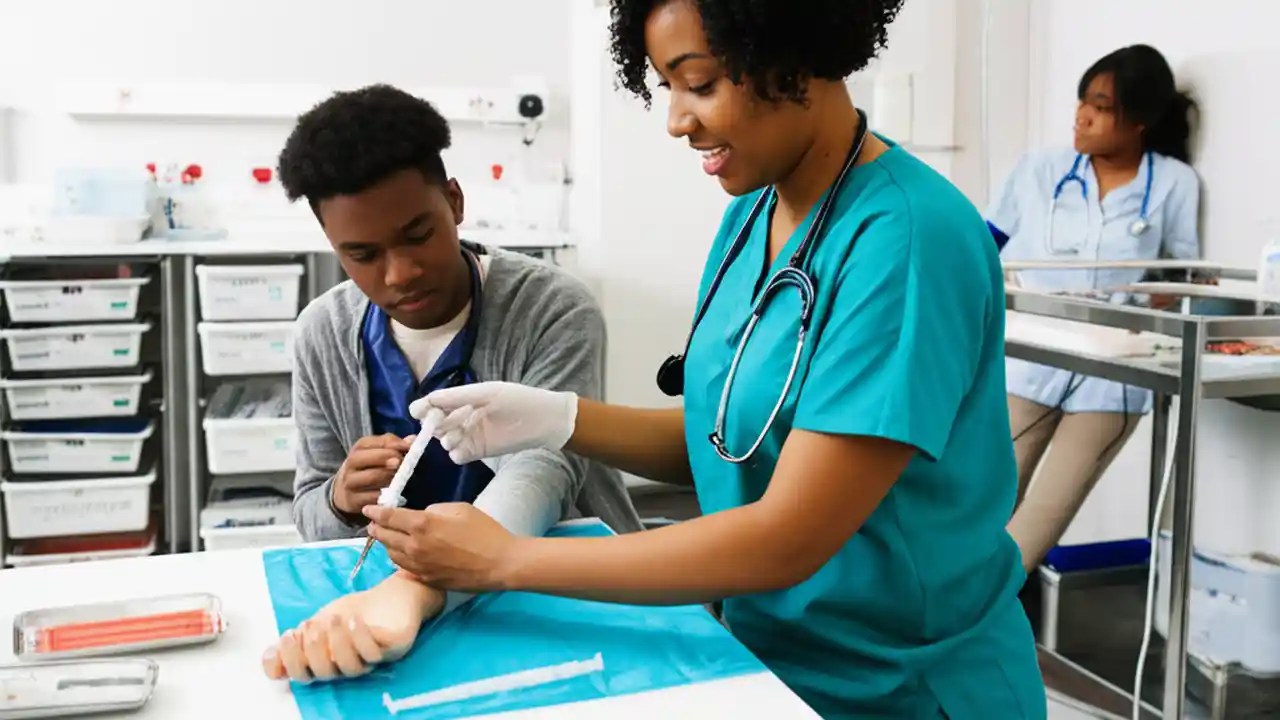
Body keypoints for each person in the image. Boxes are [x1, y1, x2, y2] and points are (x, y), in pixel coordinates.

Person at [301, 1, 1047, 716]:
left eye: (701, 84)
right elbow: (727, 442)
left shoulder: (908, 239)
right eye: (667, 87)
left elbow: (787, 536)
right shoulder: (752, 214)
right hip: (773, 657)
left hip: (904, 683)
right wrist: (557, 418)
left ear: (794, 51)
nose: (676, 120)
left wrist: (503, 561)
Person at [260, 84, 641, 682]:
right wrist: (341, 496)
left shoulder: (551, 309)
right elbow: (311, 511)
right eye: (362, 254)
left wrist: (414, 592)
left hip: (553, 585)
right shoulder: (322, 334)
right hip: (401, 601)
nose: (400, 273)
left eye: (418, 234)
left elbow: (545, 473)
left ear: (455, 202)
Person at [987, 44, 1200, 573]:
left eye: (1101, 106)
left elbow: (1183, 269)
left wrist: (1161, 293)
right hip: (1031, 359)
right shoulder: (1041, 169)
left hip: (1114, 377)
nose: (1081, 116)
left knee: (1040, 520)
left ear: (1140, 121)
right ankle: (941, 622)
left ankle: (972, 621)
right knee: (984, 503)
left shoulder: (1173, 183)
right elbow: (984, 242)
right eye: (1083, 101)